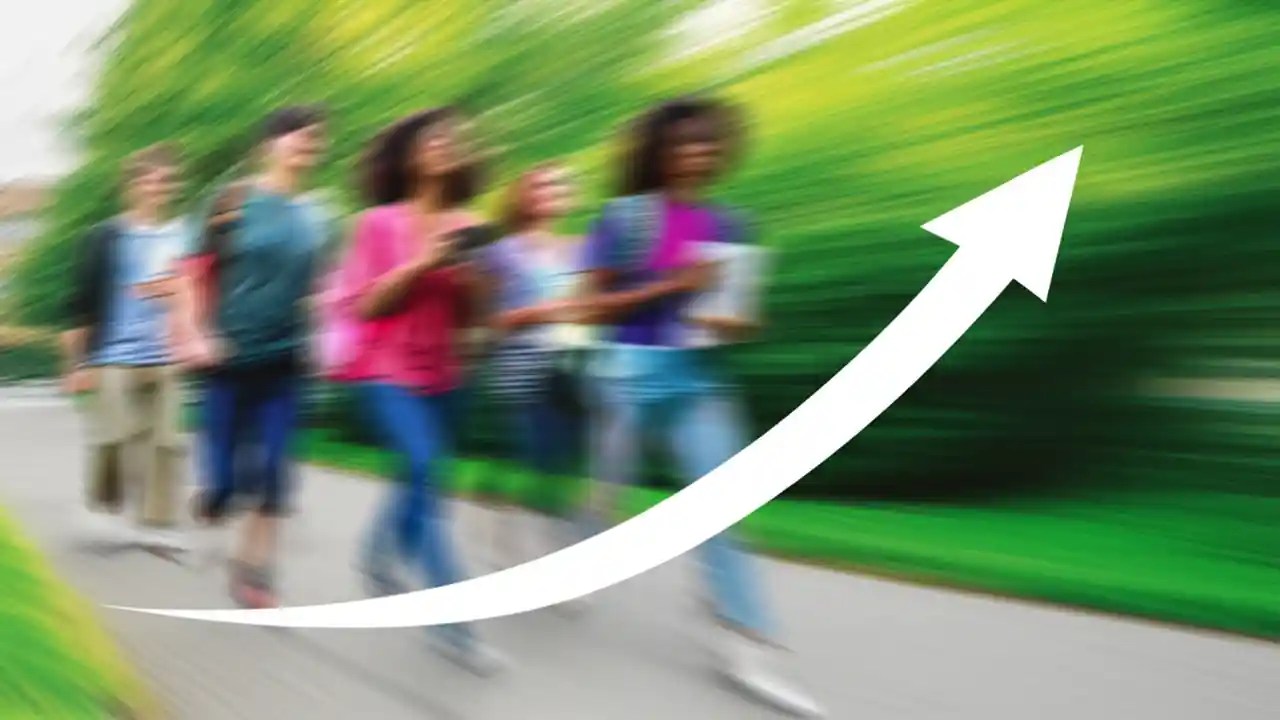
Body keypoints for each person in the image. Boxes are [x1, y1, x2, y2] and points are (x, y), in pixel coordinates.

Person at [579, 97, 823, 718]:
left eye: (708, 142)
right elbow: (587, 309)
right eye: (685, 141)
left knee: (722, 509)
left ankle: (745, 645)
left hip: (699, 379)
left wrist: (737, 320)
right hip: (628, 376)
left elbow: (738, 318)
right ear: (660, 150)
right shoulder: (626, 218)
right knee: (607, 494)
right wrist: (671, 286)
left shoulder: (731, 224)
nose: (698, 151)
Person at [331, 106, 505, 674]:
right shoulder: (378, 224)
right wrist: (421, 264)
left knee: (420, 477)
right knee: (429, 477)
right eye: (433, 138)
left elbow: (478, 317)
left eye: (456, 139)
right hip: (386, 372)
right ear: (409, 155)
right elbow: (368, 305)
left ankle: (376, 554)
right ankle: (455, 626)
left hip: (446, 375)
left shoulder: (469, 225)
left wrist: (479, 283)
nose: (446, 144)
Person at [182, 105, 330, 609]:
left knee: (274, 471)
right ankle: (215, 497)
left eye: (315, 136)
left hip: (286, 362)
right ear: (269, 144)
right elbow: (191, 274)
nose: (307, 142)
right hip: (227, 360)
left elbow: (316, 289)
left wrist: (327, 330)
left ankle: (255, 572)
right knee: (223, 487)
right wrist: (197, 334)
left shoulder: (318, 216)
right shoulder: (232, 201)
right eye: (295, 133)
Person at [62, 143, 197, 556]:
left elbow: (193, 292)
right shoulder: (104, 237)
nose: (161, 187)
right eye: (153, 179)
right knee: (113, 436)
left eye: (168, 181)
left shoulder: (182, 235)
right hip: (112, 354)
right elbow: (81, 303)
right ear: (132, 184)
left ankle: (157, 522)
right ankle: (101, 502)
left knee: (168, 441)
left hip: (165, 353)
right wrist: (75, 362)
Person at [477, 162, 591, 569]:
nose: (552, 193)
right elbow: (492, 320)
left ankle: (521, 527)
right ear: (523, 196)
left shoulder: (577, 249)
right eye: (541, 186)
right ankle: (512, 530)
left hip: (565, 367)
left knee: (557, 464)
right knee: (530, 457)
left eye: (559, 185)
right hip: (519, 369)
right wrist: (544, 311)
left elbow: (587, 310)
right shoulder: (502, 252)